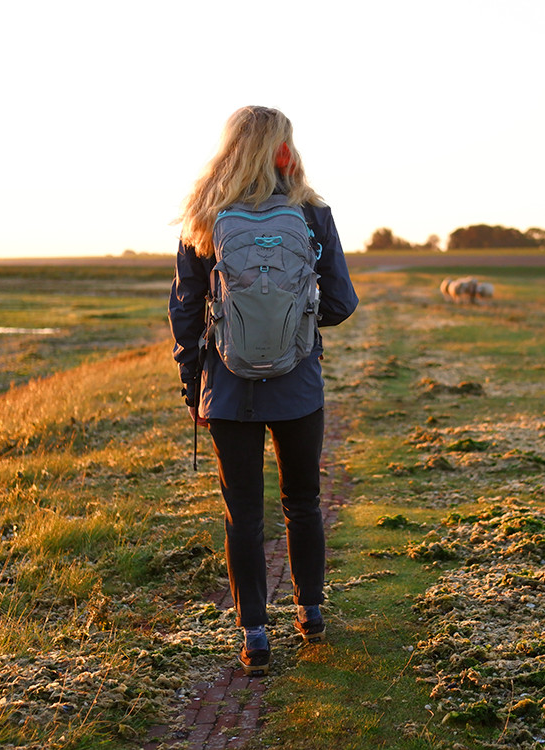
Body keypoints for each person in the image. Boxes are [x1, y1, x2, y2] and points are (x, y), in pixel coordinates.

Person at [168, 106, 358, 676]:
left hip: (228, 390)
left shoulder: (205, 216)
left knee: (242, 513)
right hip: (298, 384)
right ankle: (311, 611)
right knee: (302, 501)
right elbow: (343, 302)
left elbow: (183, 310)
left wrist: (194, 383)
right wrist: (295, 321)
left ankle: (254, 633)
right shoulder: (311, 212)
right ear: (284, 149)